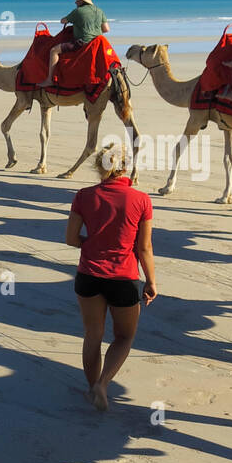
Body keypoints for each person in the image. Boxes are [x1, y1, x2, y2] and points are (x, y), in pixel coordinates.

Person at [64, 145, 157, 412]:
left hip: (88, 276)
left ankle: (92, 387)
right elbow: (144, 249)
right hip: (124, 278)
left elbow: (71, 239)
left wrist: (93, 245)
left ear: (100, 167)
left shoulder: (83, 196)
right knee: (124, 336)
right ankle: (103, 384)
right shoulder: (141, 200)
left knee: (93, 334)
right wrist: (151, 281)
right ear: (126, 167)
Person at [38, 0, 109, 88]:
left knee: (54, 51)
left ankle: (49, 79)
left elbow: (63, 21)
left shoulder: (78, 11)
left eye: (77, 0)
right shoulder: (99, 11)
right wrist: (92, 29)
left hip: (81, 43)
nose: (75, 2)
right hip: (95, 43)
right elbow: (106, 29)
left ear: (82, 1)